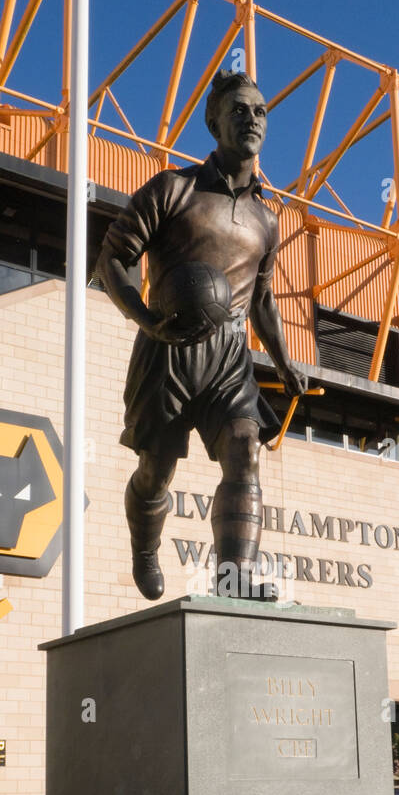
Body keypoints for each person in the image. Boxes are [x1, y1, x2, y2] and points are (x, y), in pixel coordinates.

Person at [97, 69, 307, 602]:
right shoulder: (174, 188)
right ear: (212, 121)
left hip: (231, 355)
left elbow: (261, 300)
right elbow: (112, 259)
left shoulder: (267, 219)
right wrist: (143, 317)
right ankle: (145, 547)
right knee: (155, 471)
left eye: (260, 111)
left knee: (245, 449)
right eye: (239, 110)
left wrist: (282, 361)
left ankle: (234, 578)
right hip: (168, 347)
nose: (252, 119)